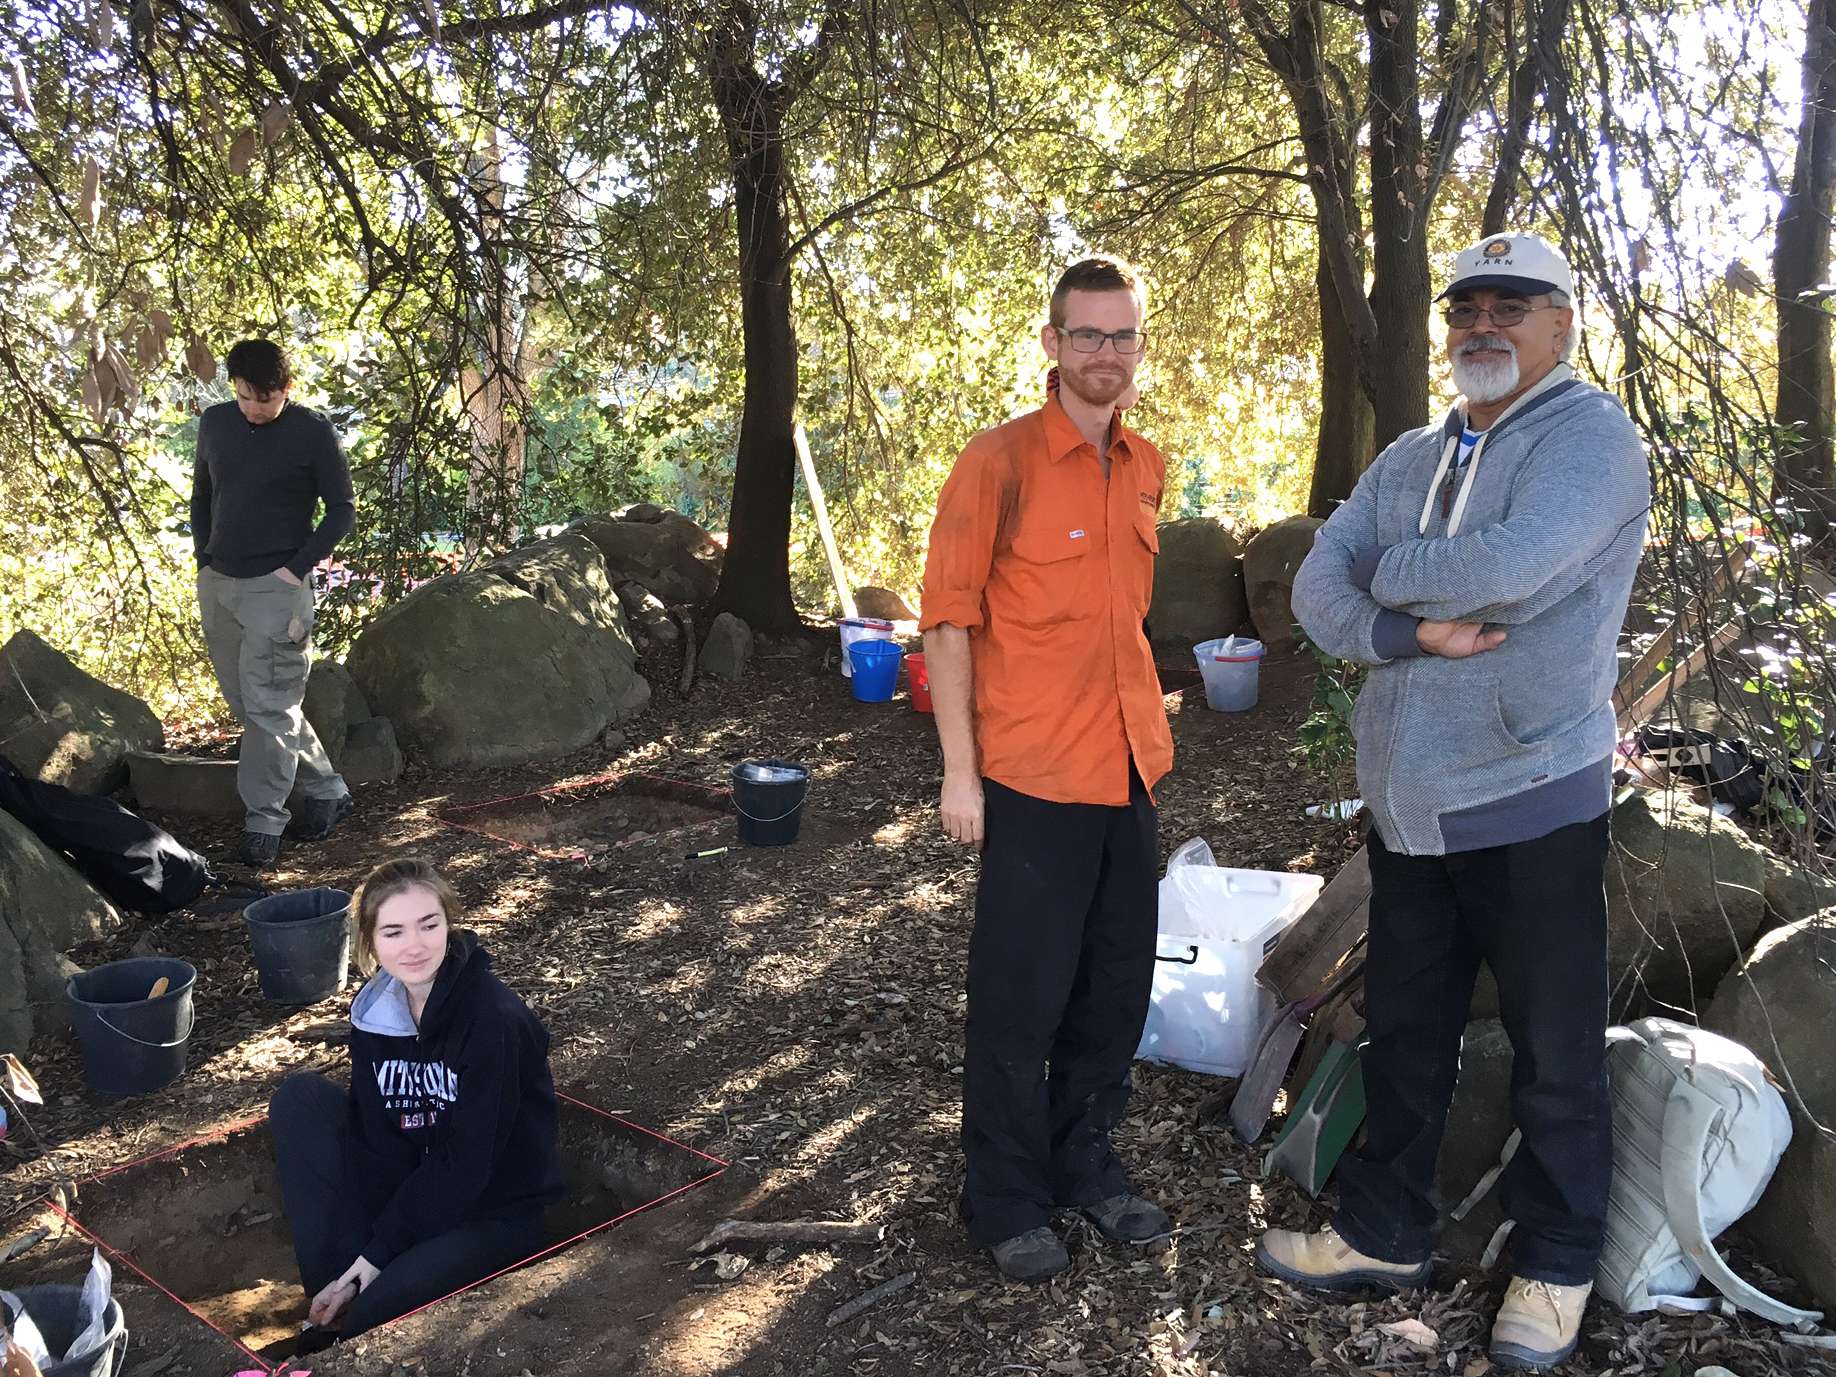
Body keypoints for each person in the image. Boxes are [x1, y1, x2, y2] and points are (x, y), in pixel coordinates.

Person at [1265, 233, 1650, 1371]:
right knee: (1410, 1031)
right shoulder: (1414, 453)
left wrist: (1387, 572)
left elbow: (1509, 569)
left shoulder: (1592, 441)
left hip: (1531, 793)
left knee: (1555, 1045)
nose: (1482, 325)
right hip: (1412, 805)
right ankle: (1385, 1231)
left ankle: (1558, 1261)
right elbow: (1309, 589)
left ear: (1561, 326)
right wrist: (1403, 629)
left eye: (1510, 307)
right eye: (1466, 308)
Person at [921, 256, 1176, 1283]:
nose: (1105, 355)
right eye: (1087, 336)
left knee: (1113, 992)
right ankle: (1005, 1195)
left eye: (1122, 337)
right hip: (1029, 773)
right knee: (1020, 998)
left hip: (1128, 769)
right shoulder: (1001, 463)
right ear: (1051, 344)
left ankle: (1087, 1166)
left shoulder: (1146, 462)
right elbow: (946, 621)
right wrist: (959, 775)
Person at [269, 858, 562, 1345]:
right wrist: (358, 1257)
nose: (414, 946)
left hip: (494, 1207)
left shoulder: (492, 1020)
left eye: (429, 924)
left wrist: (380, 1254)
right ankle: (325, 1305)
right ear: (370, 942)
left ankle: (338, 1330)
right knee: (300, 1100)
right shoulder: (377, 1014)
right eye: (394, 931)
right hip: (418, 1185)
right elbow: (377, 1141)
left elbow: (468, 1164)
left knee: (371, 1320)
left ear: (450, 924)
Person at [191, 339, 355, 868]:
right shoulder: (215, 423)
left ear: (287, 389)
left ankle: (264, 822)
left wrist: (295, 569)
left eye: (265, 398)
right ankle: (328, 788)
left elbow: (341, 511)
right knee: (253, 705)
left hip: (276, 587)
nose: (254, 408)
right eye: (243, 397)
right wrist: (203, 560)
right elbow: (202, 496)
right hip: (219, 583)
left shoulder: (311, 432)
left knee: (267, 706)